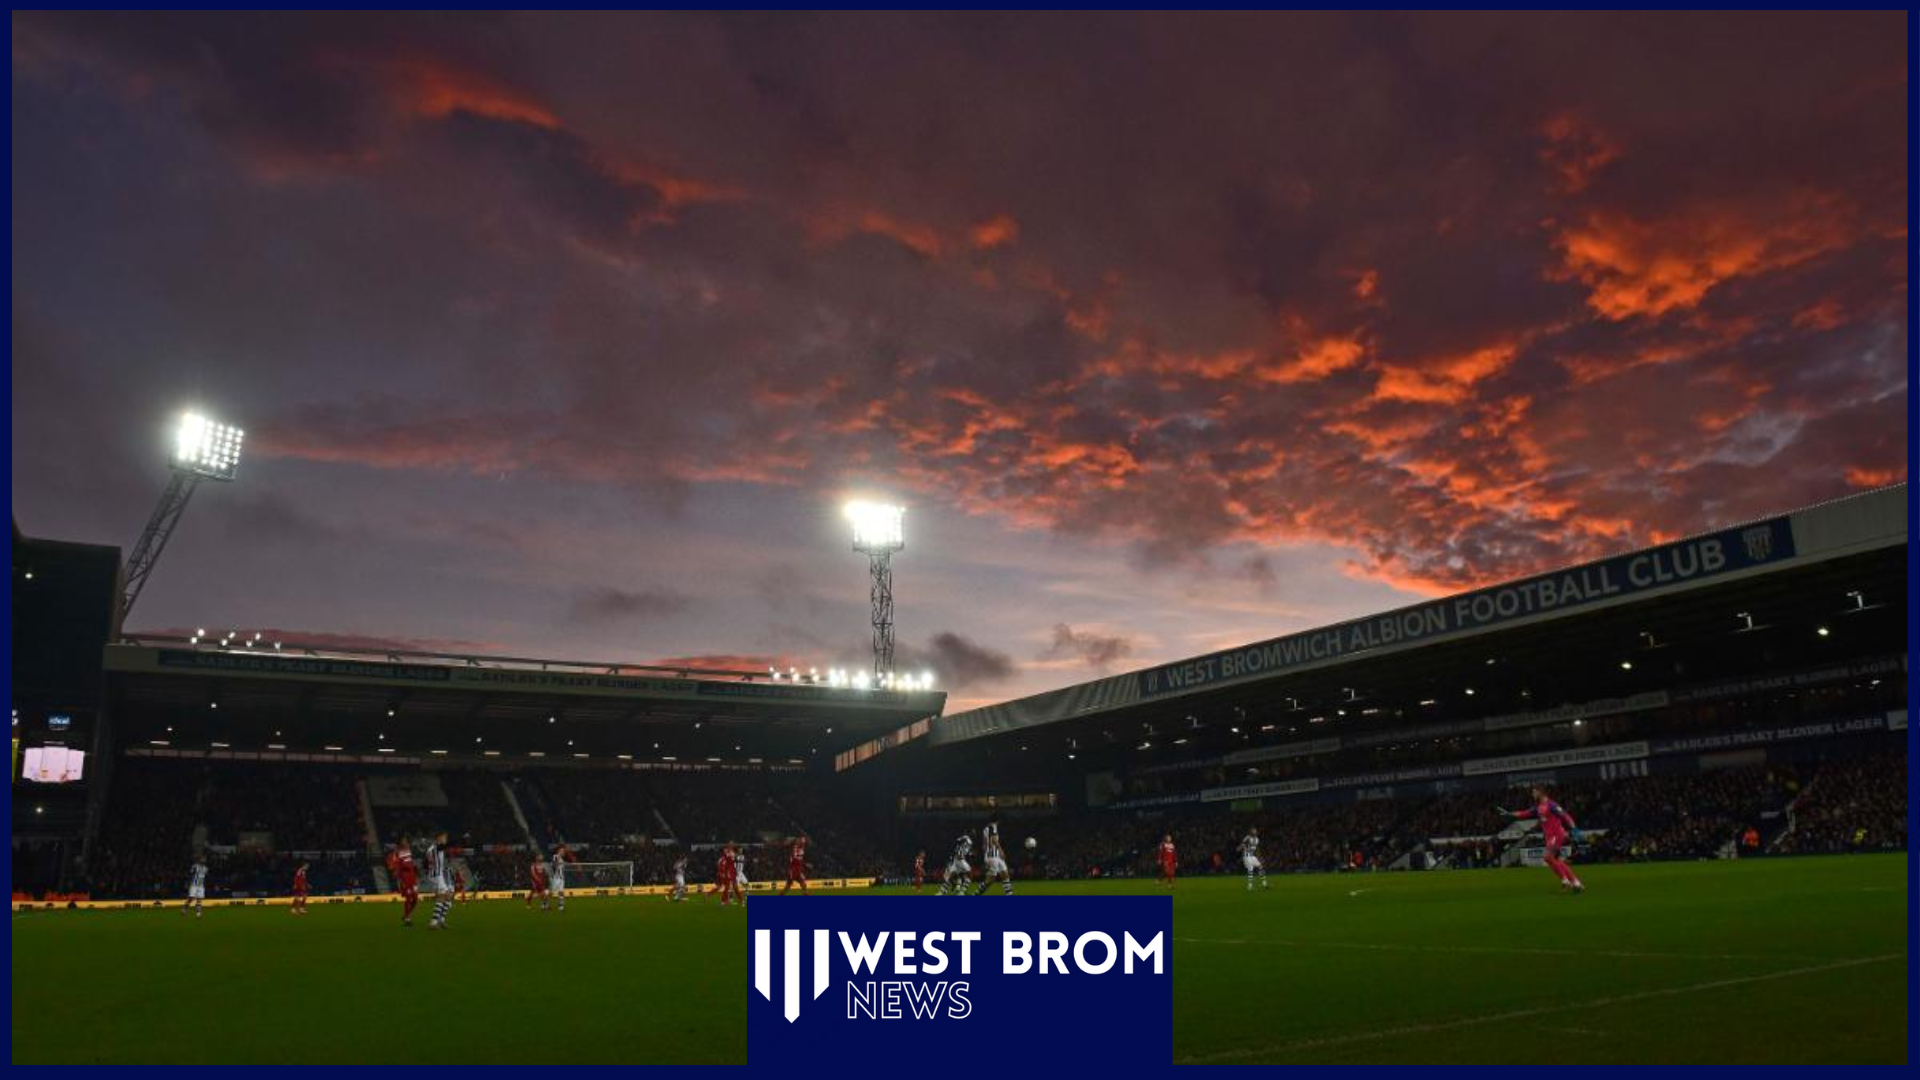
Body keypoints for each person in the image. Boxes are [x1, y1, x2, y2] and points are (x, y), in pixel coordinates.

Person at [1502, 786, 1585, 893]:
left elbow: (1565, 815)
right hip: (1550, 837)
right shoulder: (1538, 807)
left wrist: (1574, 828)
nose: (1533, 795)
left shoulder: (1551, 805)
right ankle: (1576, 883)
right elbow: (1524, 813)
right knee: (1556, 860)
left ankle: (1565, 881)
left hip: (1557, 835)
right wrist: (1510, 814)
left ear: (1541, 793)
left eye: (1534, 792)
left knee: (1548, 857)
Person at [974, 815, 1013, 895]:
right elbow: (994, 840)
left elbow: (984, 844)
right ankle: (976, 893)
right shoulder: (993, 827)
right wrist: (1001, 850)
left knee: (1005, 874)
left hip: (994, 856)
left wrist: (985, 857)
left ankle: (1009, 894)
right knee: (992, 878)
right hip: (993, 856)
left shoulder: (985, 829)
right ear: (998, 821)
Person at [425, 831, 456, 928]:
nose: (445, 840)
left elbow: (426, 862)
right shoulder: (436, 847)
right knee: (442, 896)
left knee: (449, 895)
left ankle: (441, 920)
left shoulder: (434, 848)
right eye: (444, 838)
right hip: (436, 875)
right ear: (438, 838)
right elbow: (446, 846)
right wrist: (461, 839)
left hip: (437, 875)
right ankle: (433, 922)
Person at [387, 838, 420, 926]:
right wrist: (397, 869)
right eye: (403, 841)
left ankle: (406, 915)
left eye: (406, 841)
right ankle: (407, 919)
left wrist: (414, 869)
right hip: (404, 878)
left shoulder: (409, 850)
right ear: (400, 843)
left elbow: (410, 863)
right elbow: (392, 865)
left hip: (413, 878)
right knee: (409, 898)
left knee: (416, 899)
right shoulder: (396, 852)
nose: (405, 842)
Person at [549, 844, 572, 912]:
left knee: (561, 892)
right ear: (559, 851)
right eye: (562, 851)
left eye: (564, 851)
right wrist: (557, 864)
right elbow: (553, 865)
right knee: (552, 893)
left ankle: (561, 906)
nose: (563, 852)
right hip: (556, 878)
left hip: (561, 878)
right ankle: (546, 904)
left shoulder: (562, 859)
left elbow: (562, 867)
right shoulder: (555, 856)